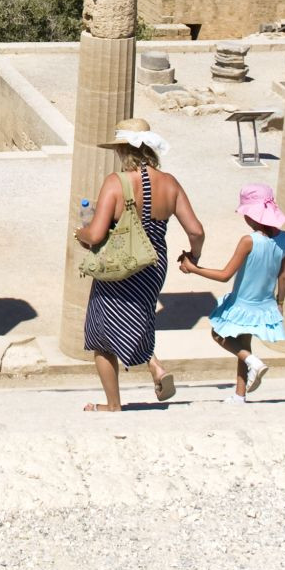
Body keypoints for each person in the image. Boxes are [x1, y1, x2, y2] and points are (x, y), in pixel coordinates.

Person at [75, 117, 205, 412]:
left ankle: (113, 404)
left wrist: (79, 232)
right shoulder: (170, 183)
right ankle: (156, 367)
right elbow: (196, 231)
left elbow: (95, 235)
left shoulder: (116, 182)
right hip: (154, 264)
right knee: (140, 315)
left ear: (123, 150)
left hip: (121, 264)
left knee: (101, 334)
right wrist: (193, 256)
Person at [179, 183, 285, 403]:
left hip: (243, 303)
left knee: (218, 334)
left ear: (252, 215)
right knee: (243, 345)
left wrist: (193, 268)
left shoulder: (249, 241)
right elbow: (284, 274)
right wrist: (280, 302)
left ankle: (253, 362)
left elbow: (225, 275)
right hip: (264, 303)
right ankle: (240, 394)